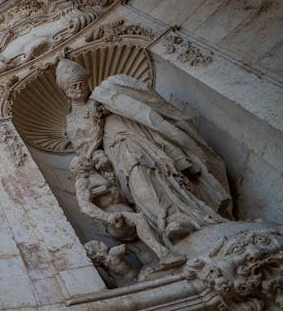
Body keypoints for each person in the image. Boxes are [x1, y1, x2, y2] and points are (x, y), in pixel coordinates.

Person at [57, 59, 232, 248]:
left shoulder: (105, 94)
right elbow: (85, 151)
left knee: (164, 171)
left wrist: (109, 104)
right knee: (138, 176)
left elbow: (142, 110)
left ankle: (193, 211)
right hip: (116, 149)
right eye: (73, 87)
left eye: (81, 84)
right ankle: (170, 218)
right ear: (66, 92)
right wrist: (98, 149)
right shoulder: (72, 121)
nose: (79, 89)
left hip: (139, 138)